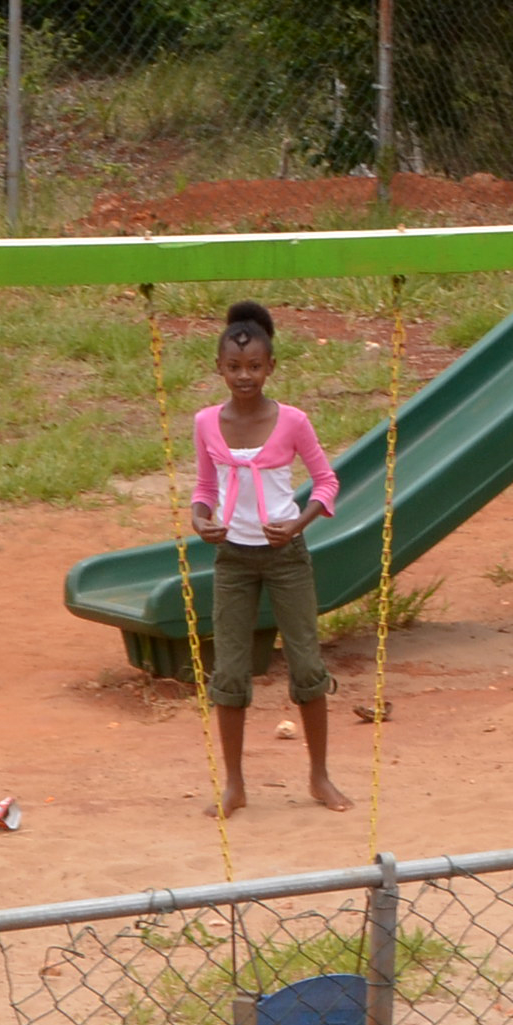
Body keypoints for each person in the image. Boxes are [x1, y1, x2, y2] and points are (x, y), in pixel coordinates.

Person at [188, 302, 349, 818]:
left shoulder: (292, 421)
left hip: (286, 557)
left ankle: (319, 776)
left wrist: (298, 523)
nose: (244, 376)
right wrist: (199, 517)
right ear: (219, 368)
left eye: (254, 366)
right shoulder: (207, 422)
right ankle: (234, 785)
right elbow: (205, 486)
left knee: (306, 665)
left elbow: (327, 481)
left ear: (271, 367)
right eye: (234, 367)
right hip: (232, 559)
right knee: (230, 671)